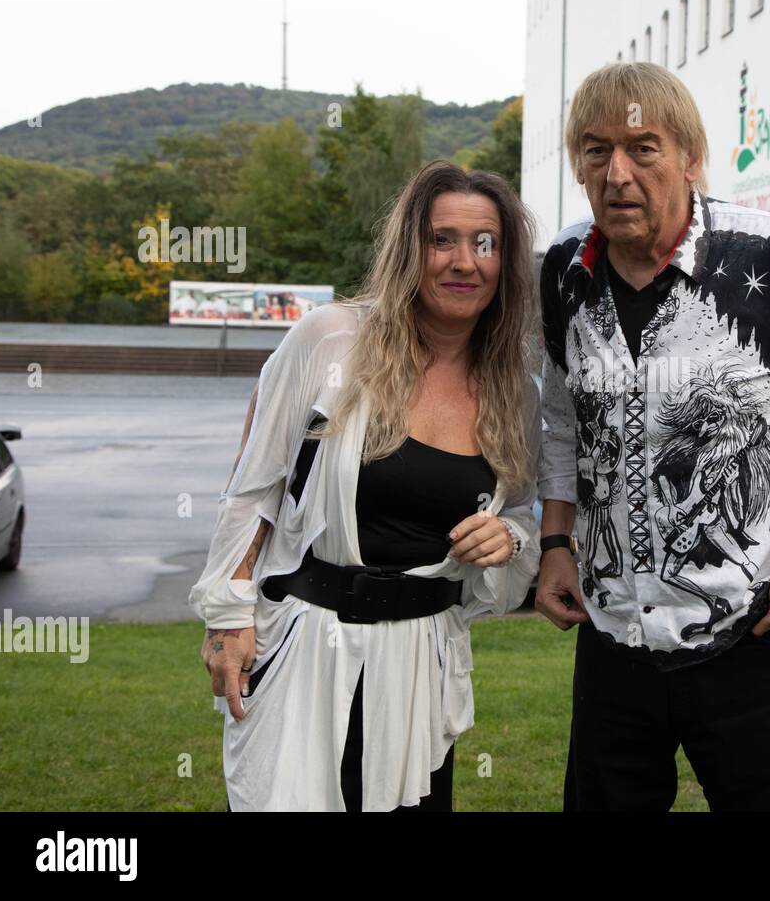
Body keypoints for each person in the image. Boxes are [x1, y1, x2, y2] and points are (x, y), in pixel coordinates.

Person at [535, 63, 770, 811]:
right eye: (596, 150)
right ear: (577, 164)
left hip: (755, 637)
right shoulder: (563, 271)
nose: (618, 173)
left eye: (645, 147)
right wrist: (553, 545)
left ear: (691, 160)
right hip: (615, 643)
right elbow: (561, 420)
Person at [191, 160, 541, 811]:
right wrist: (228, 619)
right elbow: (254, 487)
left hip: (417, 671)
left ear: (506, 260)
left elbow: (518, 511)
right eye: (443, 239)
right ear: (411, 247)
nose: (464, 261)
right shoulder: (331, 340)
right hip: (306, 650)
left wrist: (509, 536)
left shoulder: (511, 388)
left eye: (485, 243)